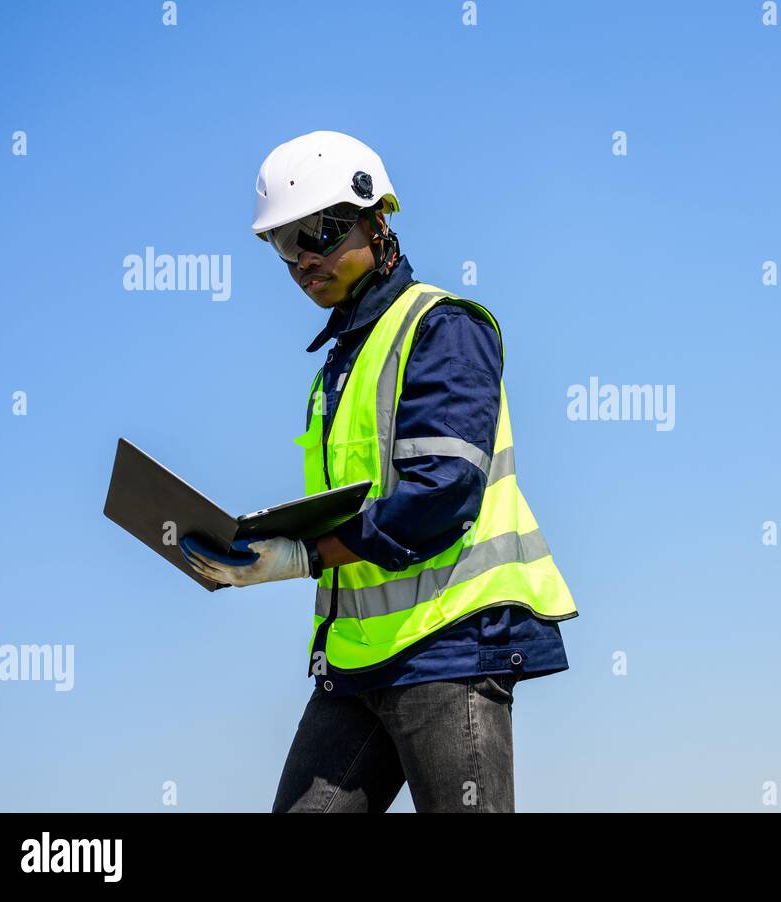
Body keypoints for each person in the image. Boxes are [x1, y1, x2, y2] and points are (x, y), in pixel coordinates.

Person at [179, 130, 578, 812]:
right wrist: (260, 545)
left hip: (451, 649)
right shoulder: (335, 369)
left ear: (377, 219)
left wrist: (300, 558)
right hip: (356, 663)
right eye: (284, 242)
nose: (304, 259)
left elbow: (442, 493)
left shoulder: (441, 326)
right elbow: (353, 507)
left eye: (321, 232)